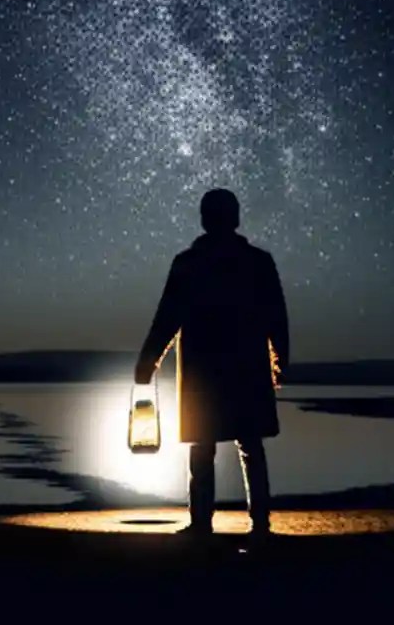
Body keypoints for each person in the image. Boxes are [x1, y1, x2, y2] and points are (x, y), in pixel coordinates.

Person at [135, 188, 290, 543]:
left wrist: (148, 362)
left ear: (205, 219)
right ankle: (258, 523)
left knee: (205, 448)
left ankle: (205, 523)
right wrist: (281, 359)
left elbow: (166, 319)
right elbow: (276, 317)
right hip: (244, 369)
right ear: (234, 218)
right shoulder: (256, 261)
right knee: (247, 445)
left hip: (207, 371)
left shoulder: (189, 263)